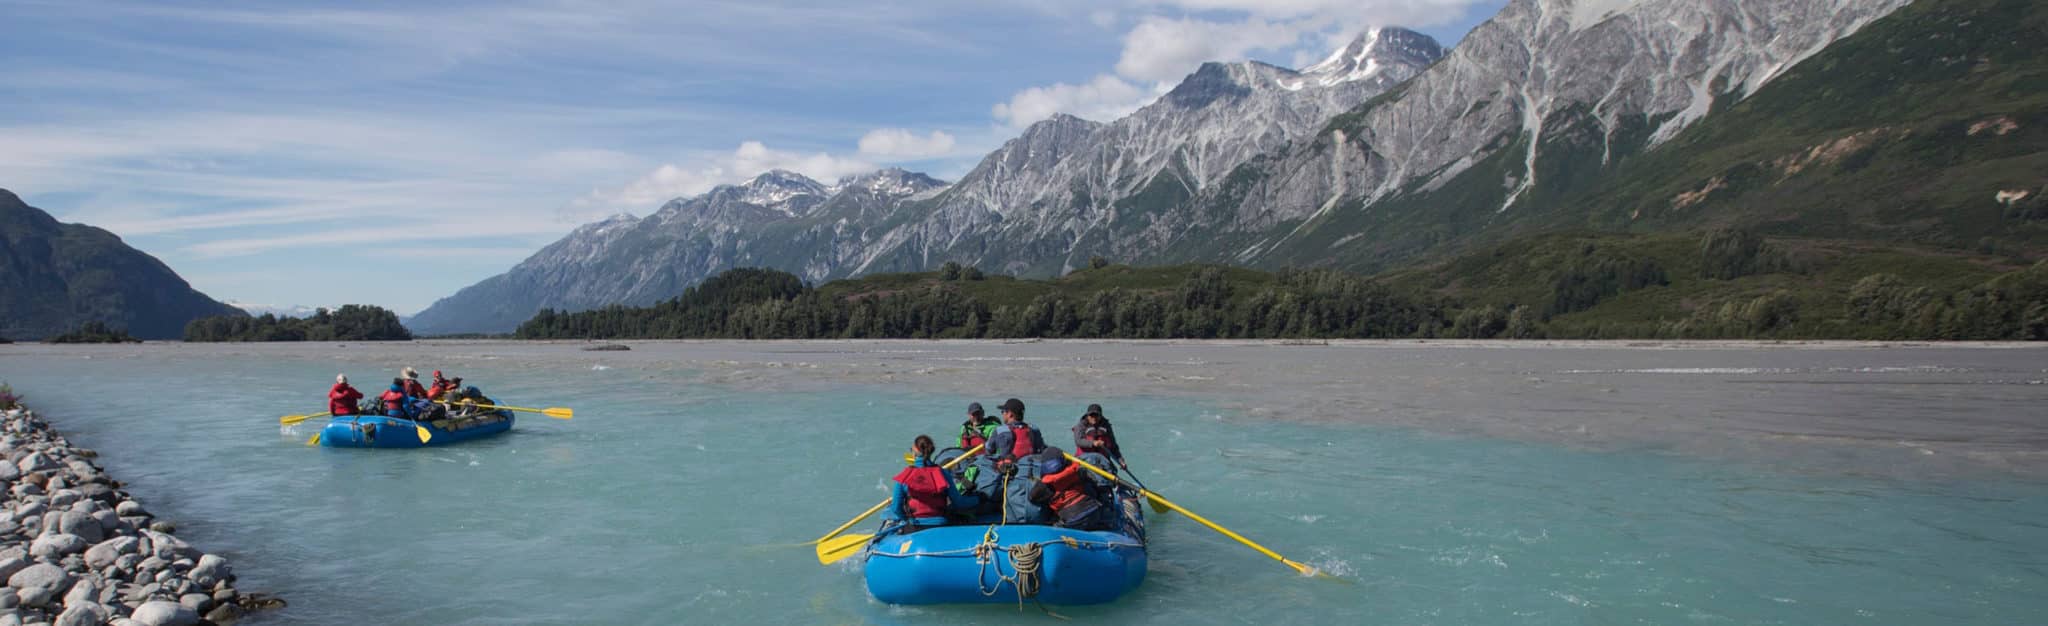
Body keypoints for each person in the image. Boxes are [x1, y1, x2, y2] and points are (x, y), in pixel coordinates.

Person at [885, 435, 972, 530]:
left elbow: (896, 508)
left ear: (914, 453)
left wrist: (906, 519)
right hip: (941, 523)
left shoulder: (905, 476)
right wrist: (979, 498)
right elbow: (959, 502)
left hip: (915, 525)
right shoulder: (943, 473)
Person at [1032, 447, 1106, 529]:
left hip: (1073, 519)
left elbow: (1032, 497)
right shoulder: (1077, 471)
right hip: (1094, 511)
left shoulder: (1046, 484)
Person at [983, 398, 1045, 472]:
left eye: (1003, 412)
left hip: (1009, 470)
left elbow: (988, 451)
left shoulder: (1000, 431)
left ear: (1010, 414)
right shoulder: (1034, 429)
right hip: (1030, 468)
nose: (1002, 414)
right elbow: (1041, 449)